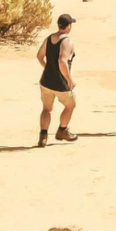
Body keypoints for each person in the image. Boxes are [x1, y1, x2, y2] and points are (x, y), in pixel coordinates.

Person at [36, 14, 78, 148]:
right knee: (70, 105)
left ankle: (43, 136)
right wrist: (69, 79)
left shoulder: (49, 38)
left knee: (46, 109)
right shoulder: (67, 42)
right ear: (69, 26)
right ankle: (62, 130)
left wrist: (48, 68)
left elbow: (39, 56)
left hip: (46, 81)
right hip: (60, 83)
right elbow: (62, 61)